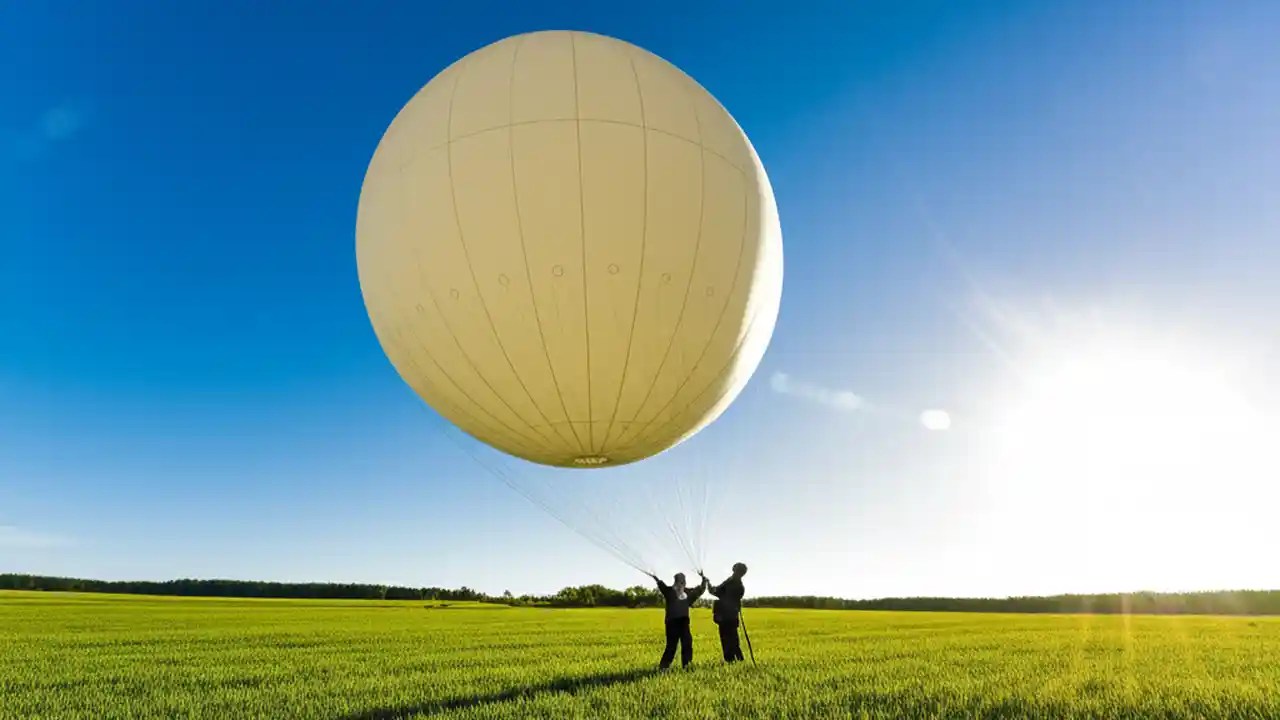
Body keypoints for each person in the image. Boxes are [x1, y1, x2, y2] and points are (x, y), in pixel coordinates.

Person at [649, 571, 707, 669]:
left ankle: (687, 665)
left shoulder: (688, 593)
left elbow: (700, 590)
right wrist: (655, 578)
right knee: (671, 646)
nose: (682, 582)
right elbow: (661, 585)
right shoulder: (669, 592)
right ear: (675, 581)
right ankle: (664, 667)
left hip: (684, 622)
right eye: (679, 580)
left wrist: (704, 580)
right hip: (672, 622)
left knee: (687, 644)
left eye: (683, 581)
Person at [705, 562, 747, 663]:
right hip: (731, 616)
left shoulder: (733, 584)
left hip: (726, 616)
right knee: (733, 640)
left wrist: (709, 586)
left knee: (727, 640)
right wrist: (709, 584)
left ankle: (731, 661)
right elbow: (717, 592)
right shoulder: (734, 583)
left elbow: (718, 593)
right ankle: (738, 660)